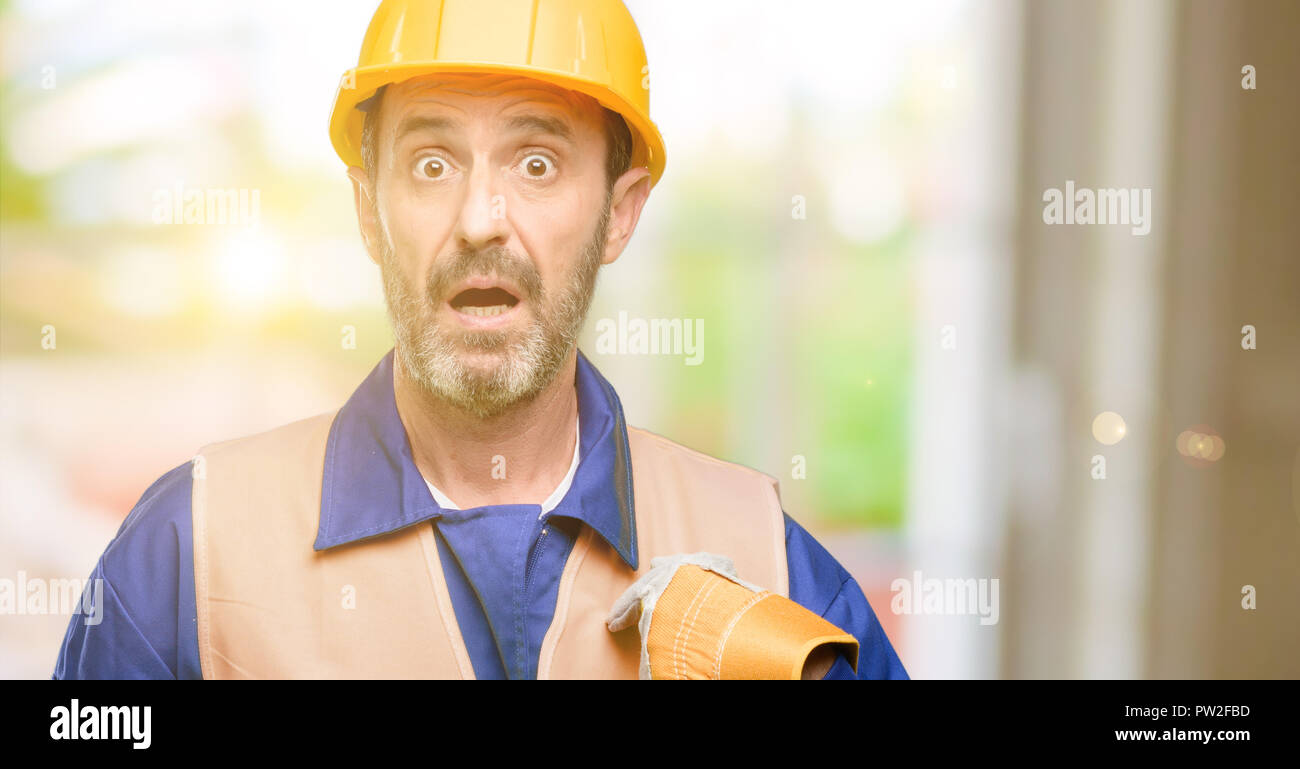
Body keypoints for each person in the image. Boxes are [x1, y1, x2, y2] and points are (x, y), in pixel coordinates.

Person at [54, 0, 908, 680]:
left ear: (619, 210)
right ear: (367, 210)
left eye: (537, 162)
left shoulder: (766, 569)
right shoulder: (188, 555)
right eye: (432, 162)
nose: (478, 222)